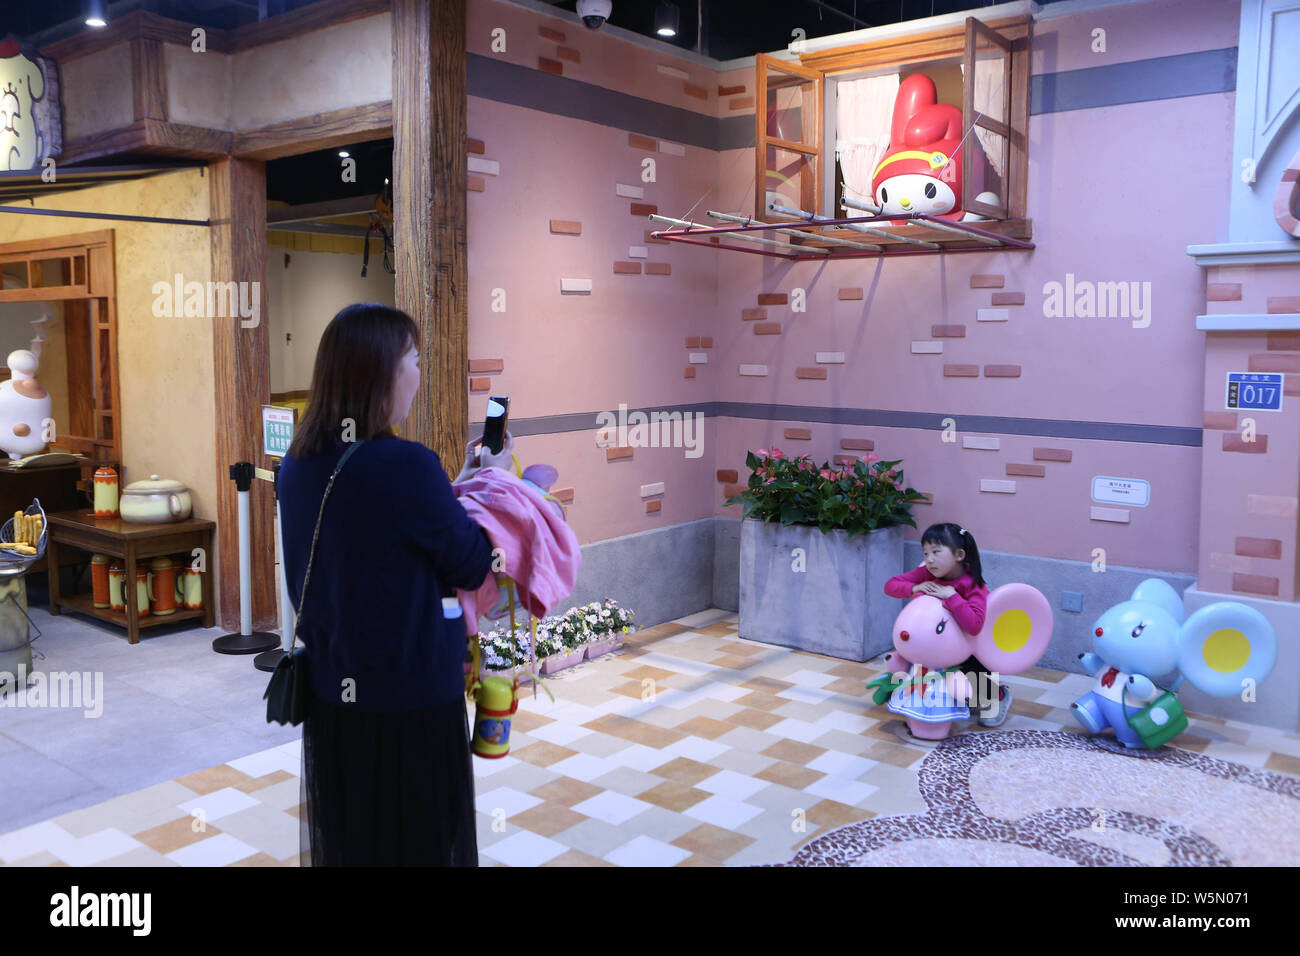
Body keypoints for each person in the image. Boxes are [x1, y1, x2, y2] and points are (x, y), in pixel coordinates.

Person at [279, 302, 514, 866]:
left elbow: (379, 539)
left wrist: (453, 484)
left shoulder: (299, 462)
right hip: (410, 699)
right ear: (380, 373)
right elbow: (471, 563)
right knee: (420, 842)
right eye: (412, 358)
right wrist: (497, 483)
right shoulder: (406, 466)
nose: (419, 371)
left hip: (336, 691)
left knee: (358, 840)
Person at [882, 522, 1012, 727]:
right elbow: (890, 585)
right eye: (925, 553)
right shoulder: (927, 573)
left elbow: (975, 626)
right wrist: (915, 586)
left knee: (971, 678)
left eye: (936, 552)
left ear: (959, 555)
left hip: (969, 650)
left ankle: (999, 695)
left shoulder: (972, 584)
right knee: (913, 663)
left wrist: (953, 597)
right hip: (935, 645)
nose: (929, 559)